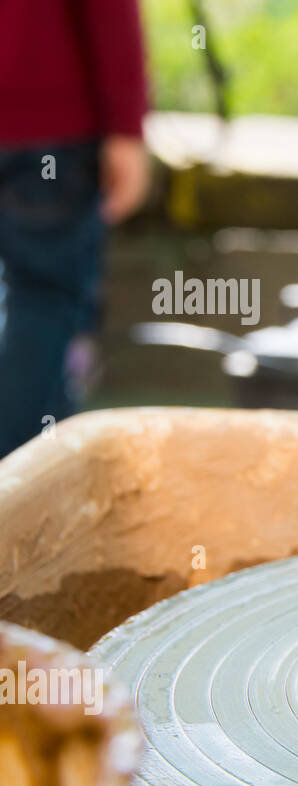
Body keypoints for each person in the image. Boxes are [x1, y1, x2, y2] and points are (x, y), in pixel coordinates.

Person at [0, 0, 150, 457]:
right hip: (46, 123)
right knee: (44, 303)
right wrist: (126, 124)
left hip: (40, 126)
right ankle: (20, 501)